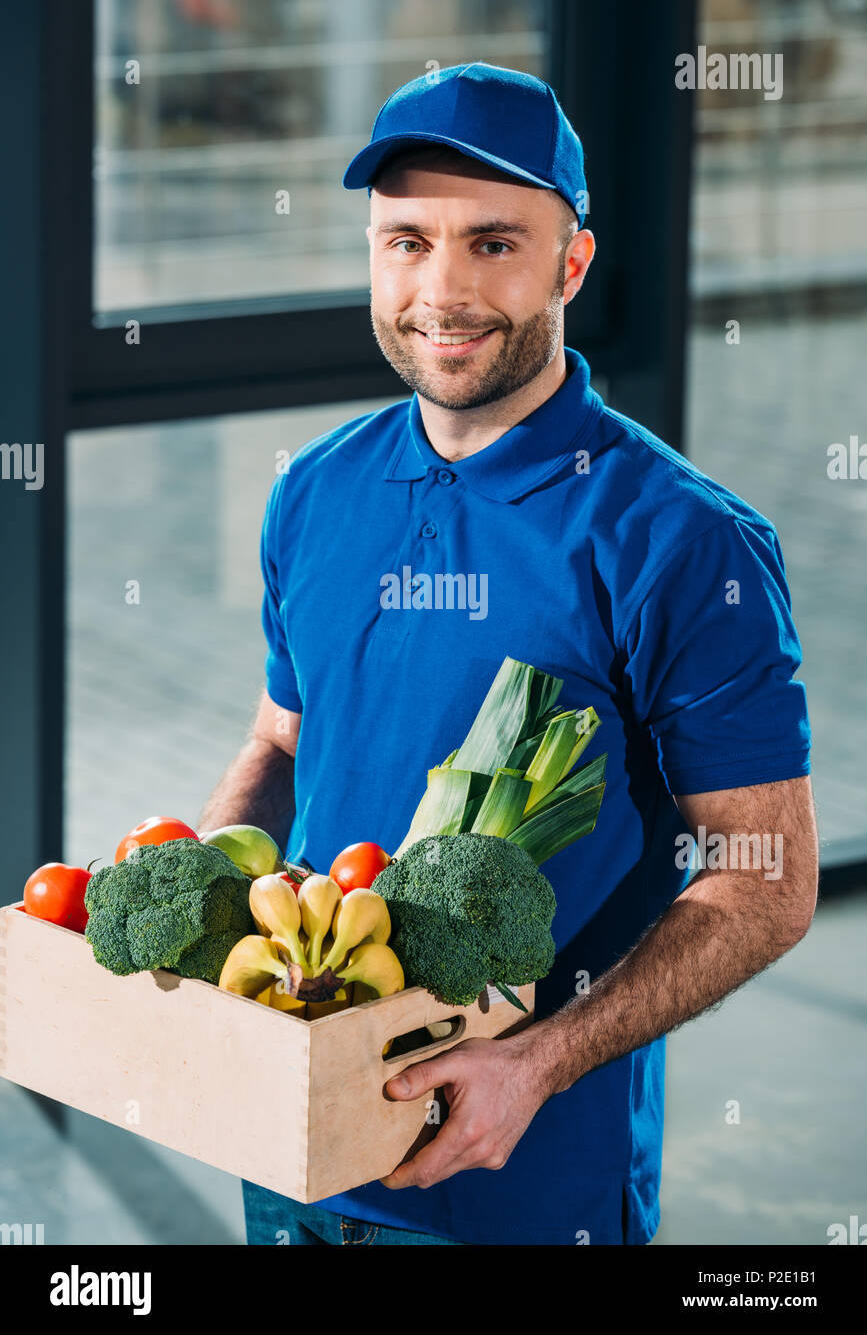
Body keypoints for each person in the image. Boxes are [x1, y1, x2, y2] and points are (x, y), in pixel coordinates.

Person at [199, 64, 817, 1247]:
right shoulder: (315, 490)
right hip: (291, 1153)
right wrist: (197, 916)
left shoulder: (682, 538)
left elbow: (769, 882)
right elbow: (282, 738)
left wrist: (532, 1066)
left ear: (571, 264)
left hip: (525, 1180)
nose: (442, 289)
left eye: (493, 243)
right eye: (406, 241)